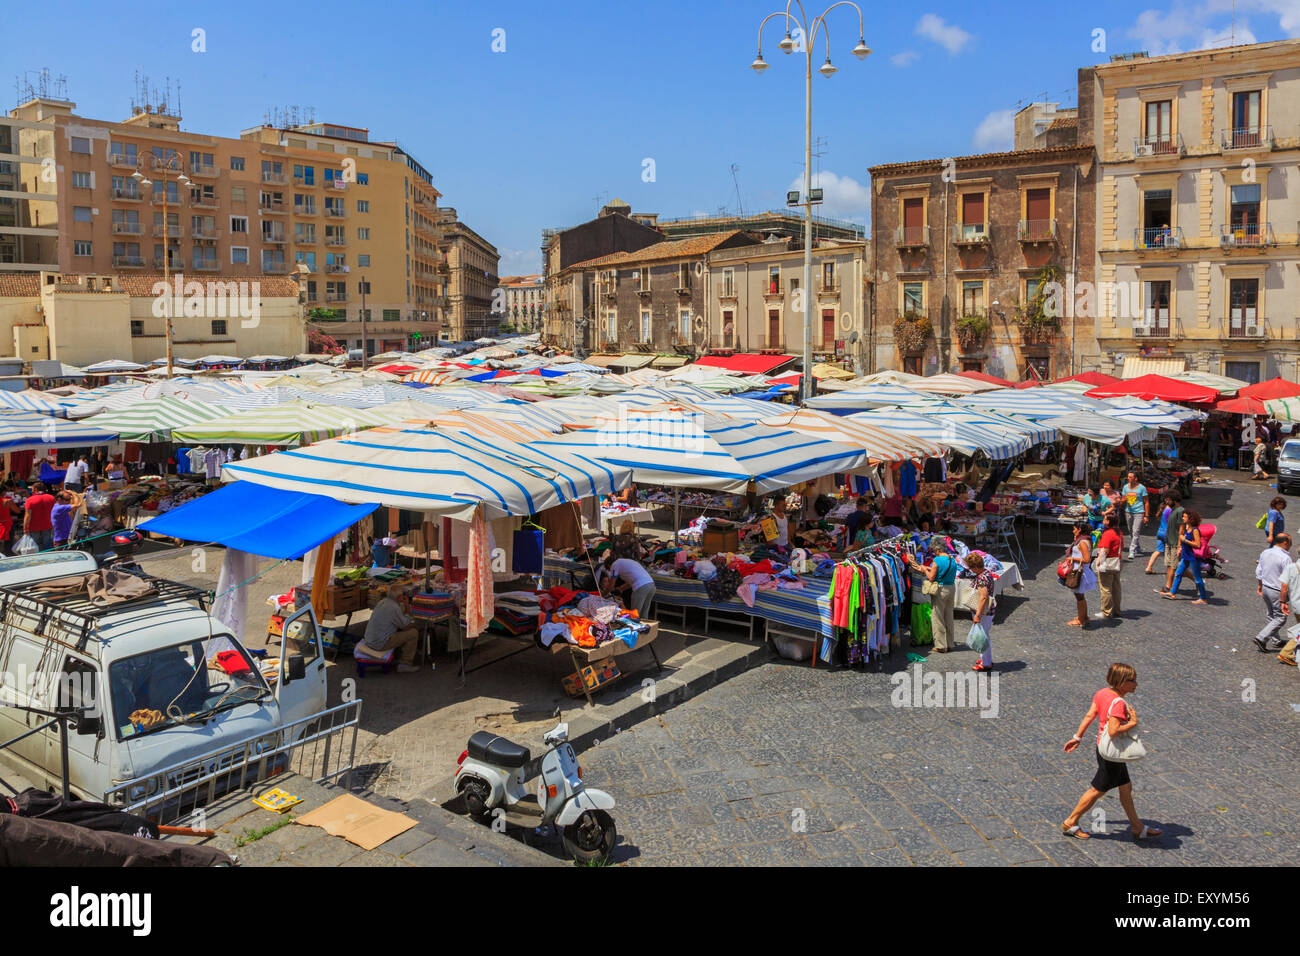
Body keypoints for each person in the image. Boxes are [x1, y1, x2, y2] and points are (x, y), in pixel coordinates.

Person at [1060, 663, 1162, 841]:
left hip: (1103, 748)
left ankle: (1137, 826)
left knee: (1125, 787)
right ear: (1122, 682)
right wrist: (1132, 723)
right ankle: (1070, 821)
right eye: (1132, 680)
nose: (1136, 684)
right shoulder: (1119, 704)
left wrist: (1077, 737)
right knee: (1097, 790)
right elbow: (1114, 730)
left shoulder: (1102, 693)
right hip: (1112, 753)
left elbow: (1090, 715)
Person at [909, 540, 958, 653]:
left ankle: (940, 645)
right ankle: (950, 643)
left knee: (937, 617)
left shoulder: (937, 560)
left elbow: (931, 577)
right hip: (951, 588)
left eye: (934, 551)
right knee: (949, 616)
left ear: (938, 550)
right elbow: (942, 572)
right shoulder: (952, 559)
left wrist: (925, 570)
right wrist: (928, 568)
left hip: (940, 589)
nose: (934, 553)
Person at [361, 582, 420, 672]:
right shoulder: (393, 607)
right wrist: (407, 605)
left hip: (370, 640)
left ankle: (399, 655)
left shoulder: (383, 601)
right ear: (399, 597)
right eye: (403, 594)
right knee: (413, 633)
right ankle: (405, 664)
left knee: (407, 629)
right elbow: (405, 626)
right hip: (379, 644)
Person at [1253, 532, 1292, 653]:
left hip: (1265, 587)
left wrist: (1260, 585)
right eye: (1290, 541)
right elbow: (1286, 581)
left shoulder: (1265, 552)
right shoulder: (1285, 558)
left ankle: (1276, 640)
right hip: (1277, 590)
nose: (1291, 543)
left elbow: (1259, 571)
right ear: (1285, 542)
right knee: (1281, 617)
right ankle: (1261, 637)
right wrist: (1283, 600)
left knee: (1271, 614)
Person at [1166, 509, 1208, 605]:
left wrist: (1184, 540)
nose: (1183, 518)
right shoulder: (1187, 527)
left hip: (1193, 558)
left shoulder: (1195, 530)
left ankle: (1203, 598)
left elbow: (1198, 545)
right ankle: (1172, 593)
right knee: (1178, 573)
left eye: (1184, 516)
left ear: (1190, 519)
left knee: (1197, 578)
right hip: (1186, 556)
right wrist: (1180, 546)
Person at [601, 553, 656, 619]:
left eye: (609, 569)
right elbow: (631, 582)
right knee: (644, 613)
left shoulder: (615, 564)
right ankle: (646, 628)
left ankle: (635, 627)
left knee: (634, 614)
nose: (610, 571)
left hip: (641, 587)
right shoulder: (627, 562)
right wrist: (621, 588)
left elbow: (611, 585)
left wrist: (602, 596)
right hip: (651, 585)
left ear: (609, 565)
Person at [1066, 520, 1098, 628]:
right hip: (1081, 571)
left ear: (1079, 530)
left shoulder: (1083, 542)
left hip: (1080, 572)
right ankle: (1084, 616)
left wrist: (1072, 558)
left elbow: (1087, 559)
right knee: (1081, 596)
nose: (1073, 531)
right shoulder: (1084, 540)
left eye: (1074, 529)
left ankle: (1080, 619)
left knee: (1079, 596)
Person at [967, 552, 995, 673]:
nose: (970, 570)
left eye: (971, 567)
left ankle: (986, 663)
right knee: (985, 635)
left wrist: (977, 615)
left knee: (982, 637)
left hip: (983, 612)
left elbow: (983, 597)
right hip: (988, 611)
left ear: (975, 567)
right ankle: (986, 659)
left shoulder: (982, 578)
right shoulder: (987, 573)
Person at [1095, 513, 1124, 620]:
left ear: (1108, 522)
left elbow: (1104, 550)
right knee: (1116, 587)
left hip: (1108, 563)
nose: (1103, 520)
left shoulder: (1108, 534)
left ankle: (1106, 612)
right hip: (1117, 562)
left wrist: (1098, 562)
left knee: (1105, 588)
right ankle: (1117, 610)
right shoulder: (1119, 532)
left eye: (1105, 519)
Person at [1155, 493, 1184, 596]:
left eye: (1168, 500)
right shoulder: (1171, 510)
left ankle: (1169, 587)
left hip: (1176, 543)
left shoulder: (1180, 511)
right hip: (1169, 541)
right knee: (1169, 565)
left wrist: (1180, 545)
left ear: (1174, 500)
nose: (1166, 502)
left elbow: (1181, 528)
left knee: (1173, 566)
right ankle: (1168, 586)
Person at [1144, 494, 1175, 575]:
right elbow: (1171, 523)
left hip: (1160, 532)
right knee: (1172, 551)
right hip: (1167, 533)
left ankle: (1149, 567)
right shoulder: (1169, 511)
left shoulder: (1164, 509)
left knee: (1158, 551)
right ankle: (1174, 570)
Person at [22, 481, 55, 552]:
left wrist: (25, 527)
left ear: (36, 489)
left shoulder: (30, 500)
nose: (31, 490)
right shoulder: (51, 498)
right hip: (47, 525)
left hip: (34, 526)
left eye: (32, 489)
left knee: (34, 547)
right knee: (47, 546)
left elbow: (27, 515)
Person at [1121, 471, 1147, 558]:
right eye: (1128, 477)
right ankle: (1137, 546)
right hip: (1128, 511)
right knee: (1130, 531)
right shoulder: (1125, 487)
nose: (1128, 478)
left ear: (1136, 478)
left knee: (1136, 531)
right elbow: (1123, 499)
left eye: (1130, 477)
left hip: (1139, 512)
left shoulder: (1142, 488)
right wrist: (1122, 501)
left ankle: (1131, 551)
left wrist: (1146, 515)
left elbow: (1146, 502)